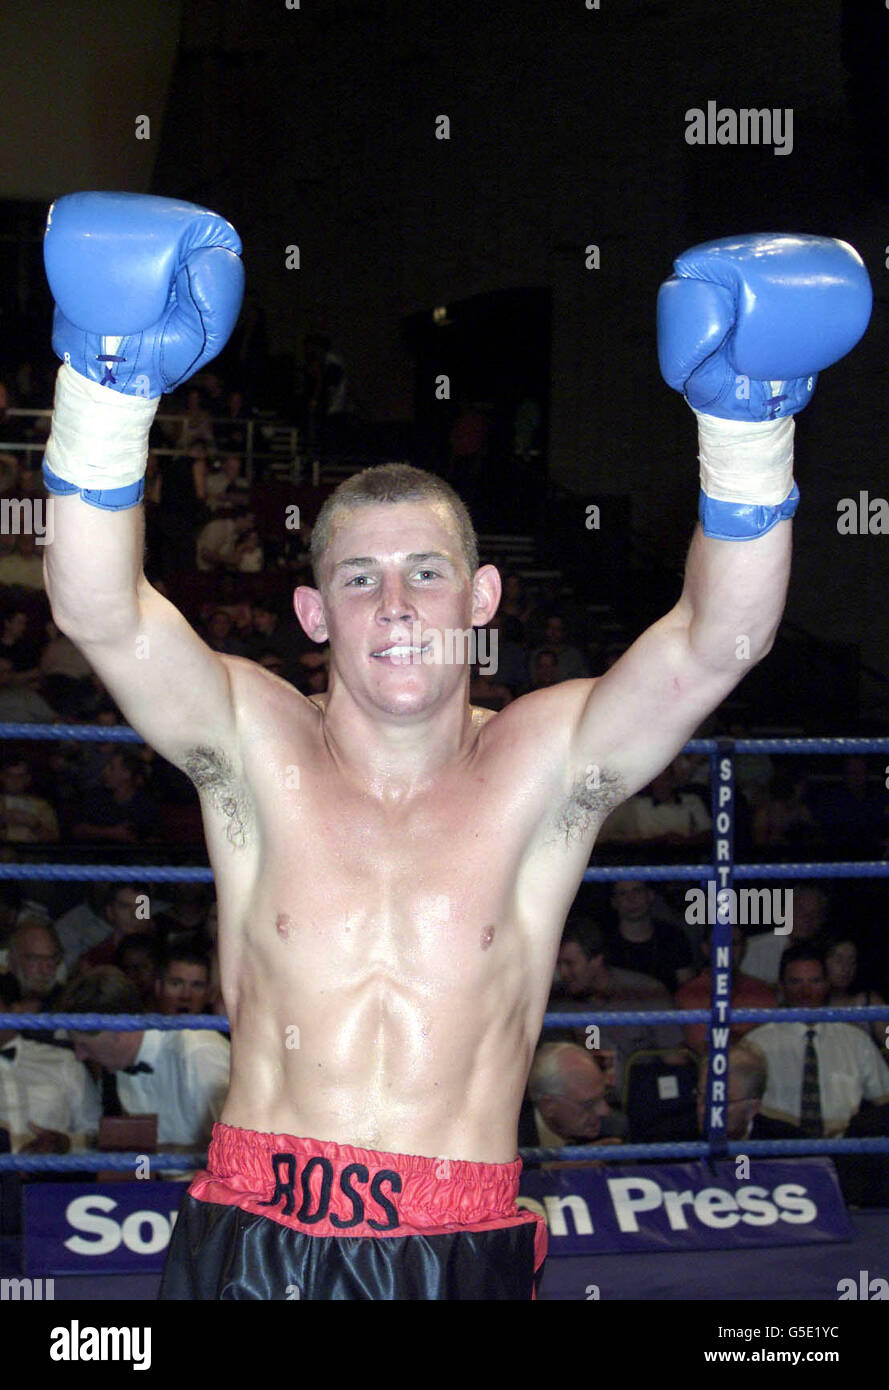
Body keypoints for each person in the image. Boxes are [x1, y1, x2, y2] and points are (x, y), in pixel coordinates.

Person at [38, 193, 870, 1298]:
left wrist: (750, 422)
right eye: (359, 577)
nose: (395, 604)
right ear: (313, 614)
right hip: (252, 1233)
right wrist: (105, 386)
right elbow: (102, 611)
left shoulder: (543, 762)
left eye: (424, 573)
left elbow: (724, 637)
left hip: (456, 1241)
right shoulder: (251, 741)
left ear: (479, 596)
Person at [63, 967, 230, 1152]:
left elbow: (236, 1152)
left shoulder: (197, 1052)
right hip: (158, 1180)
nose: (79, 1056)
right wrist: (68, 1143)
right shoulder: (123, 1066)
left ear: (120, 1029)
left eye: (85, 1045)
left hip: (211, 1180)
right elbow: (142, 1162)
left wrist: (163, 1154)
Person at [745, 945, 889, 1136]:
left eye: (815, 981)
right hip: (779, 1151)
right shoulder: (755, 1044)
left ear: (827, 984)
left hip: (843, 1151)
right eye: (796, 982)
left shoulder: (856, 1040)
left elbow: (884, 1101)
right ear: (781, 986)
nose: (806, 991)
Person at [553, 915, 682, 1095]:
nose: (563, 973)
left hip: (648, 1099)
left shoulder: (646, 993)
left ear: (596, 960)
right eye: (558, 964)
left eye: (569, 964)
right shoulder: (558, 1005)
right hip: (587, 1106)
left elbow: (674, 1060)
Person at [0, 973, 100, 1154]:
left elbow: (97, 1133)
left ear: (14, 1010)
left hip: (54, 1177)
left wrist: (66, 1143)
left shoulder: (64, 1061)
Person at [675, 923, 778, 1052]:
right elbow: (705, 1047)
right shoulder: (689, 994)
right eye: (720, 943)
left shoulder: (763, 993)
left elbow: (768, 1045)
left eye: (733, 944)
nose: (726, 950)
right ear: (706, 949)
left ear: (744, 948)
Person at [520, 1042, 619, 1153]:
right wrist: (557, 1169)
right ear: (549, 1106)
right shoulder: (514, 1142)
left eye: (604, 1096)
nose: (604, 1111)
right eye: (589, 1104)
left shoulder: (615, 1133)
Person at [605, 879, 695, 993]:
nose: (631, 899)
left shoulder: (673, 937)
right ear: (614, 902)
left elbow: (688, 989)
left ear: (650, 895)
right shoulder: (605, 942)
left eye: (637, 891)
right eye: (622, 893)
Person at [742, 882, 829, 985]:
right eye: (800, 911)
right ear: (783, 912)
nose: (807, 919)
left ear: (822, 920)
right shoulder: (753, 949)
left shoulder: (828, 954)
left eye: (815, 913)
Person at [824, 933, 886, 1048]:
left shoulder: (868, 1003)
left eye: (852, 961)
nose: (846, 968)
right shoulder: (810, 1004)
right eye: (839, 960)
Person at [154, 935, 212, 1016]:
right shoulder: (137, 1027)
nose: (186, 995)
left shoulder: (225, 1027)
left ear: (208, 993)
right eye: (176, 984)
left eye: (197, 986)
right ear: (158, 987)